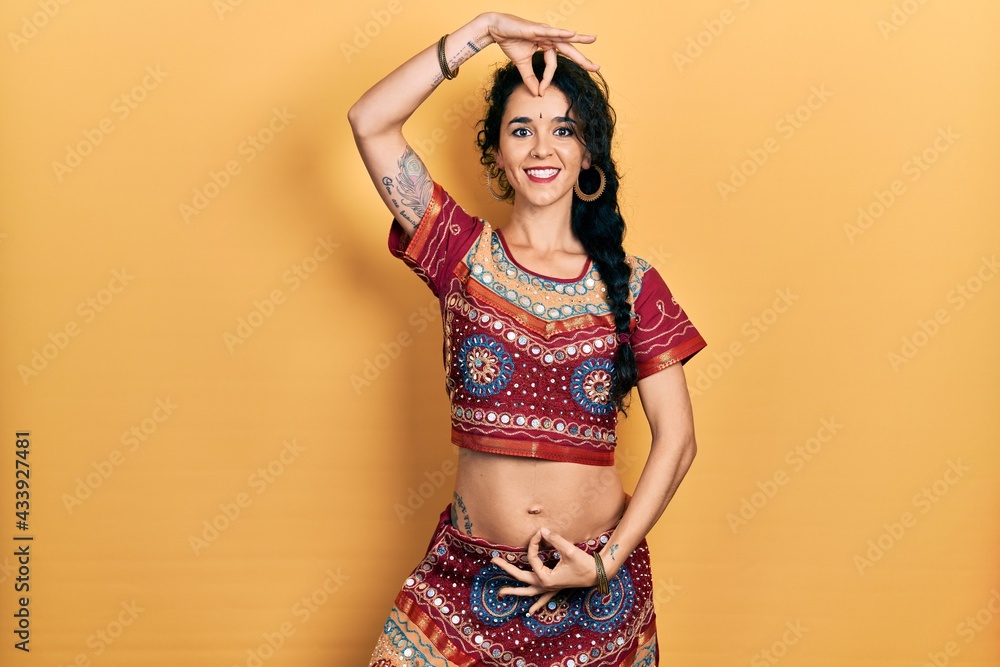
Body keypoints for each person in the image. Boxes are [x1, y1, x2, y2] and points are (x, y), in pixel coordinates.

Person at [348, 12, 706, 666]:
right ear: (498, 154)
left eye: (562, 129)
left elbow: (678, 442)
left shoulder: (631, 285)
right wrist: (480, 32)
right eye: (523, 129)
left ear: (587, 152)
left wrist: (602, 566)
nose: (543, 148)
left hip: (595, 598)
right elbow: (369, 121)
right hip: (466, 583)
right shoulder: (460, 252)